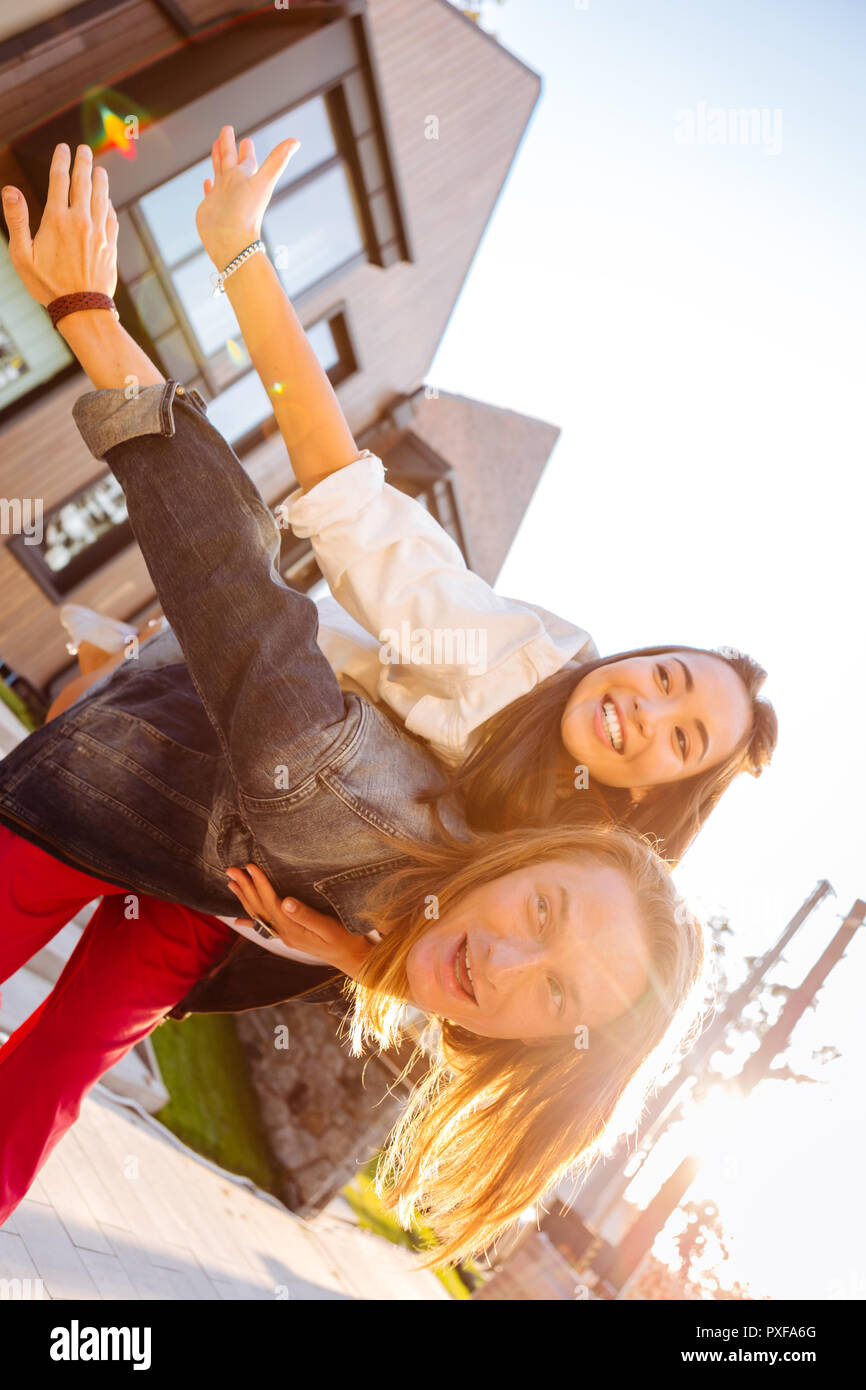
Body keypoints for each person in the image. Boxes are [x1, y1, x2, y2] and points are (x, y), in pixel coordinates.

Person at [0, 142, 706, 1263]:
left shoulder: (591, 897)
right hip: (183, 773)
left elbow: (479, 968)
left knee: (64, 1058)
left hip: (221, 893)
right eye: (664, 680)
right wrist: (192, 277)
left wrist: (353, 952)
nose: (645, 716)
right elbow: (311, 523)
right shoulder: (500, 670)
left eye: (680, 743)